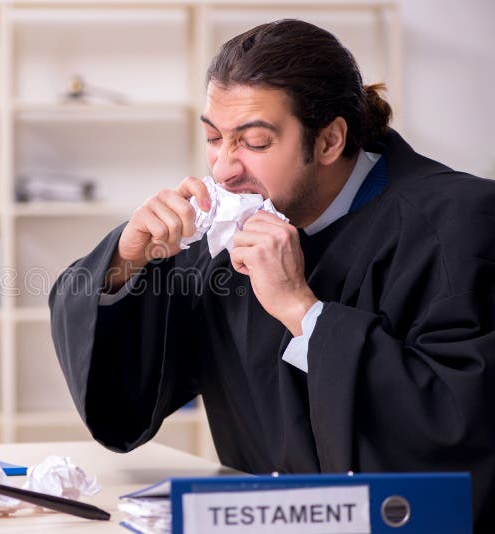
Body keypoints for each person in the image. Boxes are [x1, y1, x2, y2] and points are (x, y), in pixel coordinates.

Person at [49, 19, 495, 530]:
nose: (223, 168)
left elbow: (460, 430)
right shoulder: (227, 236)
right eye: (214, 138)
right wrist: (124, 263)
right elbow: (124, 399)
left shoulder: (459, 225)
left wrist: (303, 312)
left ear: (329, 141)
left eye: (254, 142)